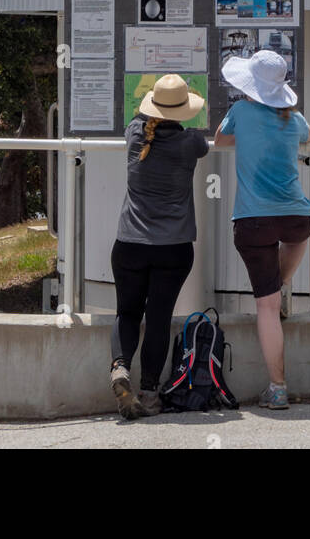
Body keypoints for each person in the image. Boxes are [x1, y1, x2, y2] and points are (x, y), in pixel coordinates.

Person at [213, 48, 310, 410]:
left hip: (253, 219)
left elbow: (220, 140)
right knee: (300, 235)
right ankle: (281, 284)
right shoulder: (292, 117)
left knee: (266, 307)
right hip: (296, 215)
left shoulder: (240, 111)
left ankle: (278, 387)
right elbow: (308, 133)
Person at [109, 72, 208, 419]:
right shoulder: (190, 143)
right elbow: (203, 144)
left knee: (127, 312)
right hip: (173, 247)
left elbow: (141, 120)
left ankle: (120, 367)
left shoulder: (134, 134)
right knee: (159, 318)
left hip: (130, 244)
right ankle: (150, 394)